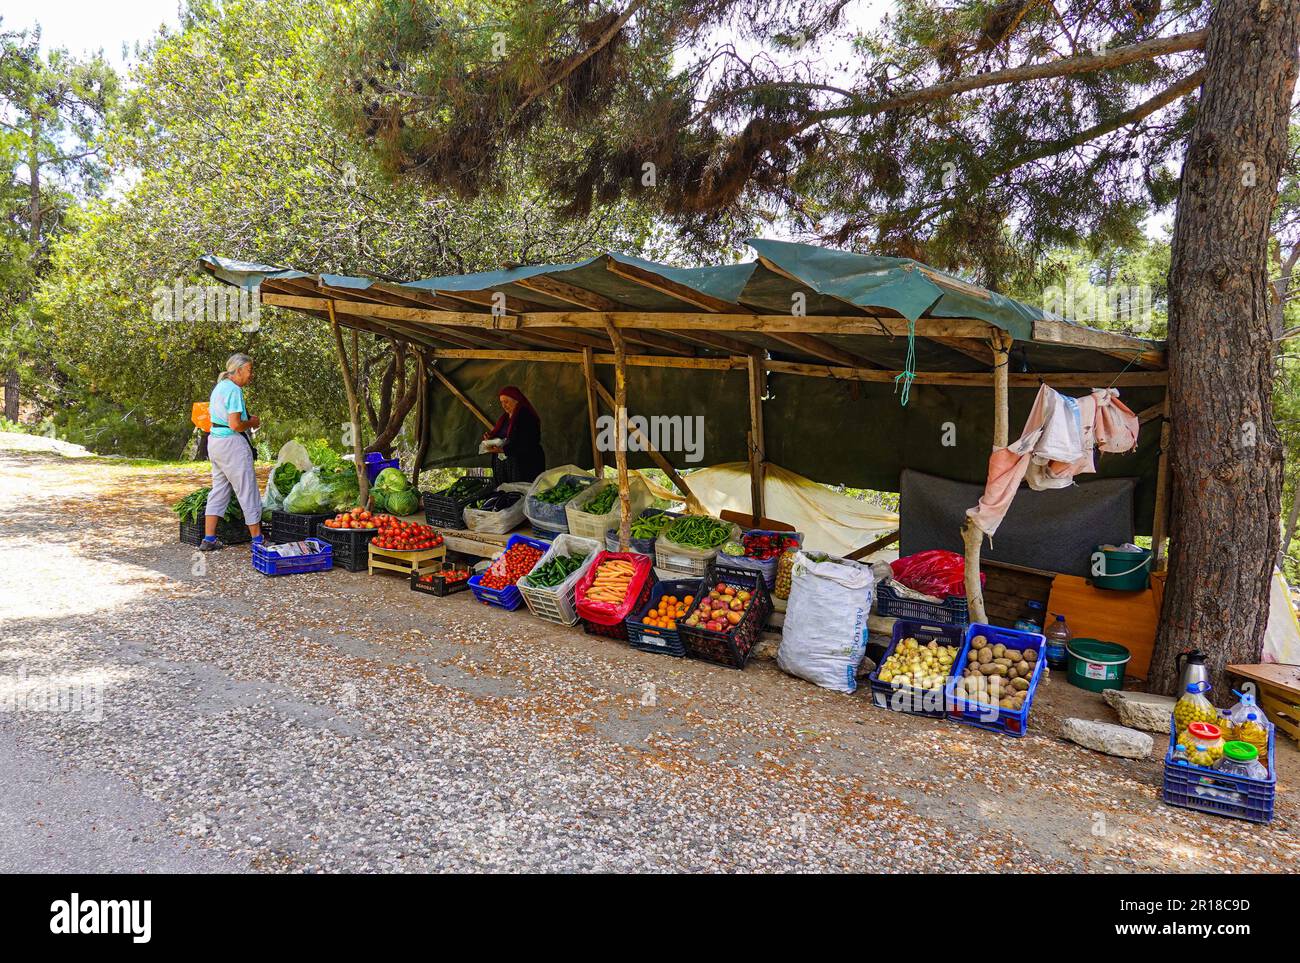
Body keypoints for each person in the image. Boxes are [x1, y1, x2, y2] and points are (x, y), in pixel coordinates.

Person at [201, 353, 263, 551]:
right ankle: (258, 540)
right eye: (249, 370)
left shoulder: (220, 387)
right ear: (238, 371)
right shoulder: (235, 390)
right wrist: (252, 422)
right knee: (247, 489)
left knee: (219, 489)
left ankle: (208, 539)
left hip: (215, 441)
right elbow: (235, 424)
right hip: (231, 443)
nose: (250, 375)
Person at [482, 385, 545, 484]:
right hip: (506, 463)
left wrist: (503, 449)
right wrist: (491, 438)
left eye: (506, 401)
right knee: (506, 493)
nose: (503, 405)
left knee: (519, 491)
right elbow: (503, 436)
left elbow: (528, 442)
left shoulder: (526, 416)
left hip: (523, 464)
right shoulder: (505, 418)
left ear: (516, 400)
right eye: (501, 402)